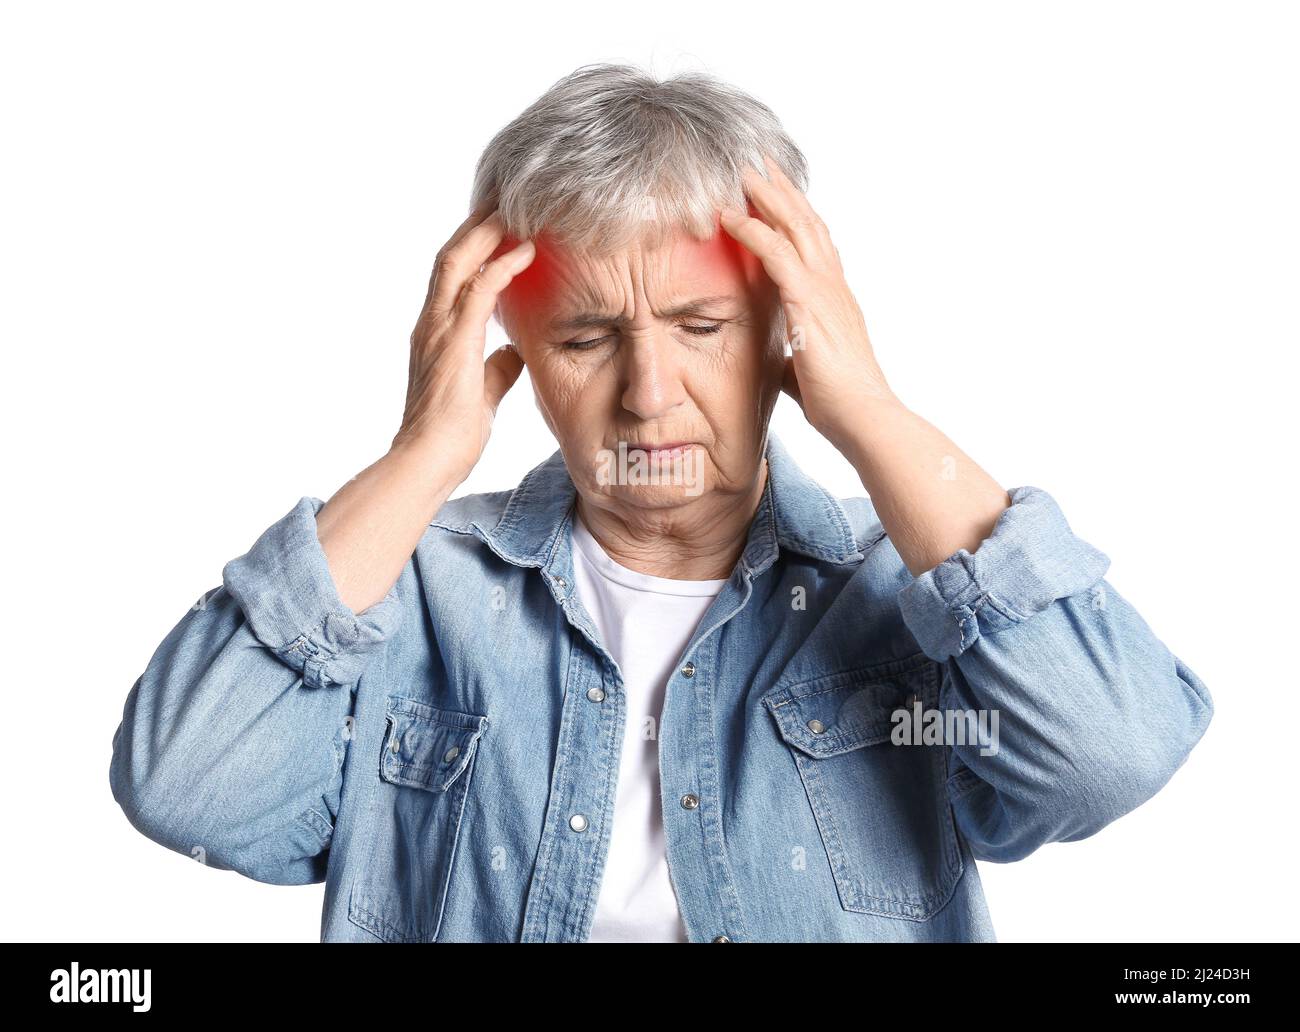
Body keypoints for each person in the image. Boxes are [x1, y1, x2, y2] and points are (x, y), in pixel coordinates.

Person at [109, 63, 1213, 942]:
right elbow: (187, 788)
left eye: (702, 328)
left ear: (791, 332)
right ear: (516, 355)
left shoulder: (907, 604)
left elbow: (1105, 754)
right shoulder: (405, 599)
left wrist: (871, 410)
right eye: (585, 339)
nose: (647, 396)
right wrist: (418, 456)